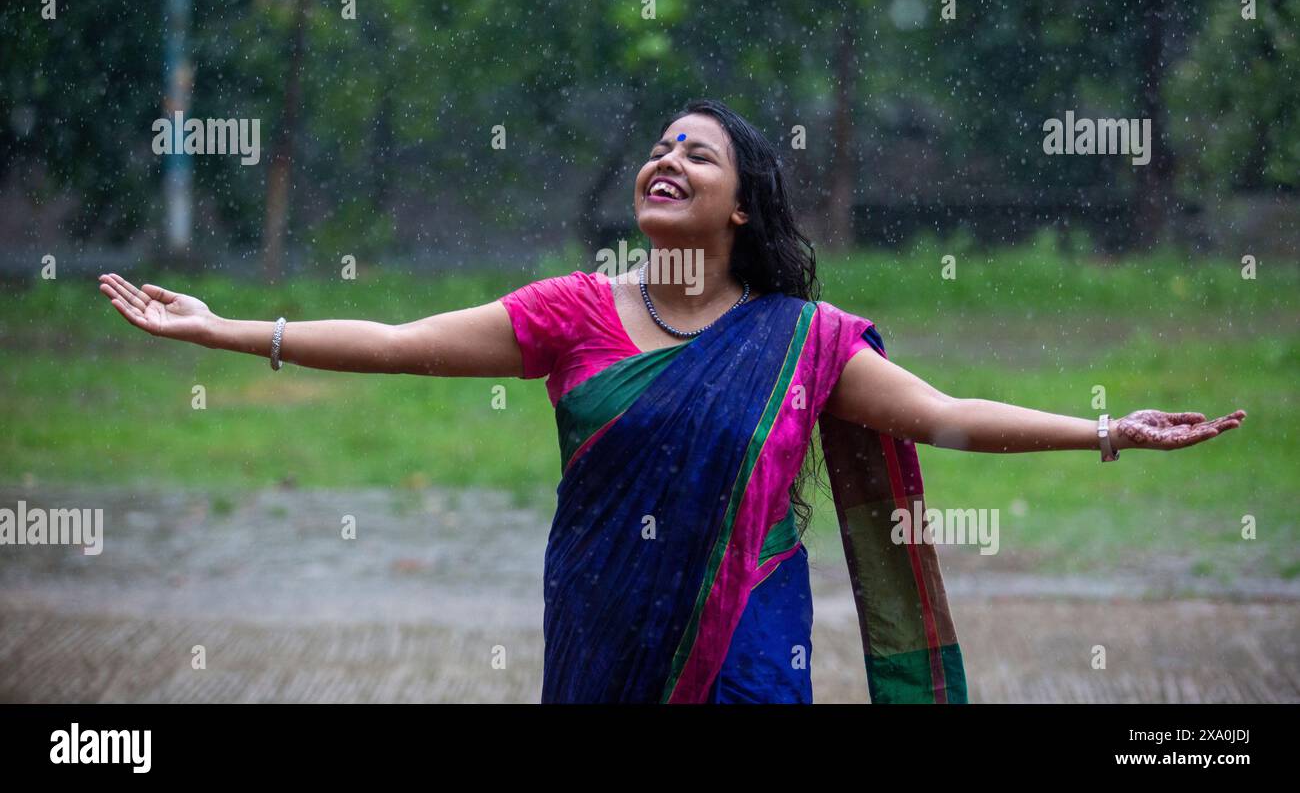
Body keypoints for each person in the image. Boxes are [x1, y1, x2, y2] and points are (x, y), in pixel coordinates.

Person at [99, 98, 1246, 704]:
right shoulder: (572, 311)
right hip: (600, 620)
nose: (666, 161)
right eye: (659, 147)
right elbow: (397, 340)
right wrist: (224, 326)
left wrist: (1104, 428)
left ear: (742, 204)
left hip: (749, 620)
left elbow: (942, 413)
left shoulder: (801, 340)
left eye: (695, 154)